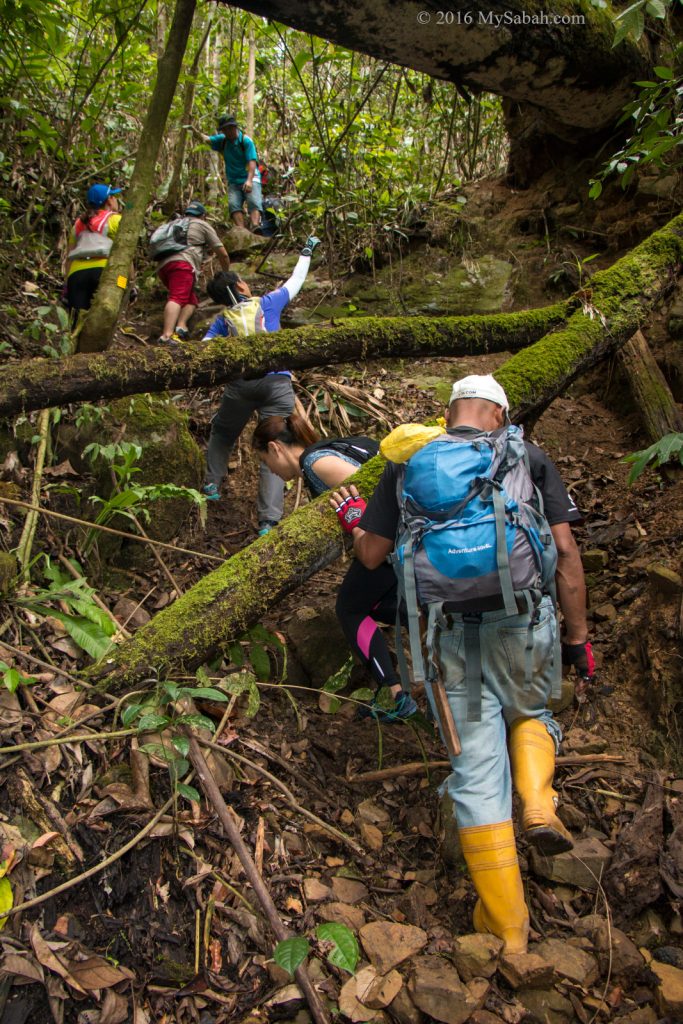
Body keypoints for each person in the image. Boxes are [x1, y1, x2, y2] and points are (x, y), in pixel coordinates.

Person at [330, 374, 594, 954]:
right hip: (524, 622)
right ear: (499, 413)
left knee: (474, 771)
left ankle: (508, 929)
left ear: (452, 411)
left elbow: (371, 554)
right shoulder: (527, 454)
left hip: (448, 634)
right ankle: (538, 803)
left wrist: (354, 515)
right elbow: (566, 553)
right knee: (532, 713)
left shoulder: (412, 459)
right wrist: (578, 638)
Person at [251, 415, 416, 716]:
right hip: (398, 538)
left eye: (266, 461)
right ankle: (436, 617)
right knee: (376, 605)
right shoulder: (333, 448)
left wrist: (359, 530)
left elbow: (379, 493)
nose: (272, 472)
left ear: (275, 448)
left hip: (389, 539)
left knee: (350, 608)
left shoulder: (315, 462)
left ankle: (395, 696)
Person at [201, 236, 319, 535]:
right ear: (240, 287)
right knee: (275, 447)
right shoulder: (267, 303)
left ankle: (211, 485)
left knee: (223, 432)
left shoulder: (222, 320)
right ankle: (268, 520)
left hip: (241, 386)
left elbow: (203, 349)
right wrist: (305, 251)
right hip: (277, 384)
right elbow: (296, 281)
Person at [155, 200, 230, 344]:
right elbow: (223, 253)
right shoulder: (201, 225)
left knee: (190, 299)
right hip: (182, 264)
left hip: (163, 266)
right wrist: (226, 273)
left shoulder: (174, 224)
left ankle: (181, 326)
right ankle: (166, 336)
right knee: (177, 297)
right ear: (202, 215)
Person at [64, 183, 126, 325]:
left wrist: (67, 285)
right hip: (105, 272)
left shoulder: (79, 223)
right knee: (103, 319)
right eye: (114, 196)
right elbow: (124, 255)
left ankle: (74, 346)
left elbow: (69, 256)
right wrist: (129, 282)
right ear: (109, 200)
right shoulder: (116, 219)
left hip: (76, 275)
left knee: (76, 322)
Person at [189, 115, 263, 231]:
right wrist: (194, 130)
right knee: (234, 205)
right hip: (234, 180)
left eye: (230, 128)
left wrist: (249, 180)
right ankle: (242, 231)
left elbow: (252, 161)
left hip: (250, 176)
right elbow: (206, 139)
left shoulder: (246, 141)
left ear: (235, 127)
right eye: (225, 129)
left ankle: (255, 226)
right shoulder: (222, 140)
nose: (228, 132)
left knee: (253, 200)